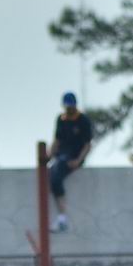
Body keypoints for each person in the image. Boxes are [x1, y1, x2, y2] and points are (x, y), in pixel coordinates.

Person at [48, 92, 92, 234]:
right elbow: (57, 140)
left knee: (56, 177)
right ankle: (61, 217)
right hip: (62, 156)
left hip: (74, 156)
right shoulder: (61, 120)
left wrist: (78, 160)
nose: (69, 110)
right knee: (53, 177)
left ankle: (62, 218)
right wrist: (48, 155)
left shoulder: (83, 120)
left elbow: (87, 144)